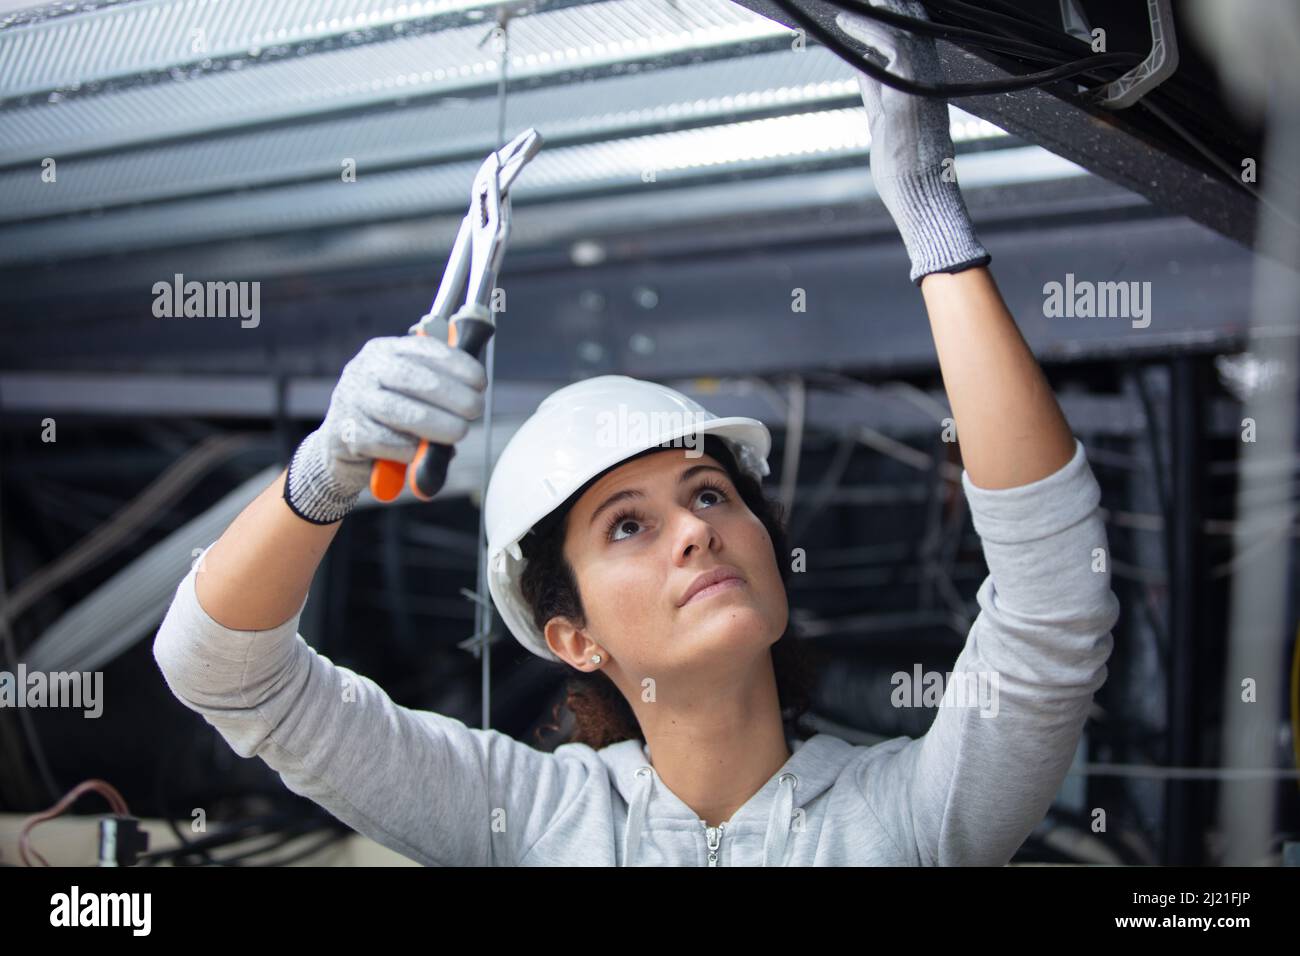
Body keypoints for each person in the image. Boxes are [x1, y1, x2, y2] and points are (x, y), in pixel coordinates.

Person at [152, 0, 1119, 866]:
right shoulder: (523, 819)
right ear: (573, 639)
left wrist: (933, 222)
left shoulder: (909, 820)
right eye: (628, 525)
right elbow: (223, 672)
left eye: (709, 493)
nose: (697, 528)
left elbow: (1053, 609)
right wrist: (328, 470)